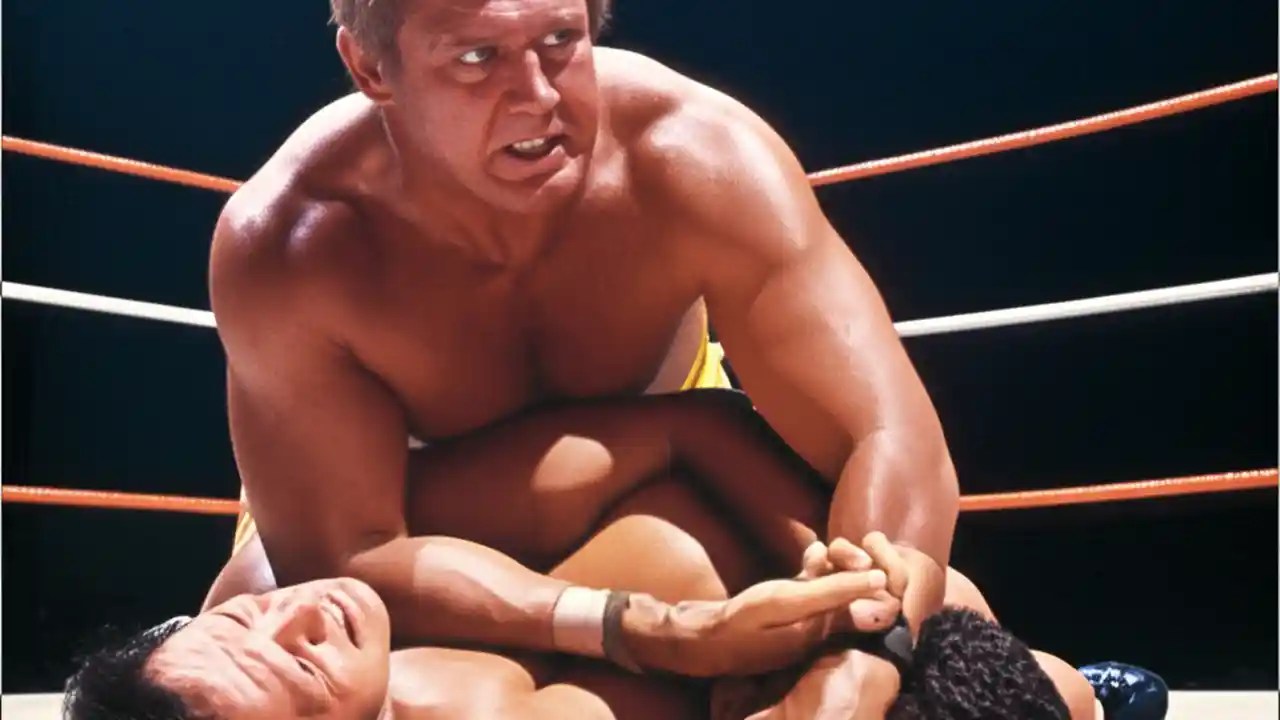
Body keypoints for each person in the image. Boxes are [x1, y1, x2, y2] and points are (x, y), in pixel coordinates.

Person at [209, 0, 958, 710]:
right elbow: (348, 555)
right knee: (246, 640)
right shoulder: (294, 243)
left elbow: (887, 433)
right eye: (477, 58)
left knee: (941, 608)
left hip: (678, 448)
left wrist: (862, 662)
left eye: (562, 41)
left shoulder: (693, 155)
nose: (538, 96)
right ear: (371, 67)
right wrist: (636, 628)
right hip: (397, 506)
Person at [66, 391, 1100, 718]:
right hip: (749, 657)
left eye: (239, 628)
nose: (304, 615)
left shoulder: (318, 551)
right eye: (294, 662)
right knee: (1048, 696)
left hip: (732, 523)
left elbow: (696, 430)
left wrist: (853, 581)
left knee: (957, 608)